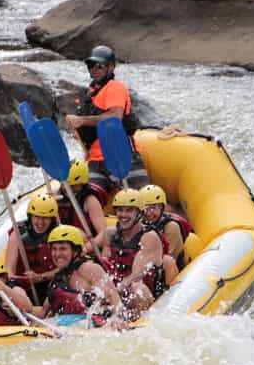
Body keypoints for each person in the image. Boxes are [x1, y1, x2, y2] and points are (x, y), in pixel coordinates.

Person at [64, 45, 149, 192]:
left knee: (145, 203)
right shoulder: (91, 93)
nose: (94, 69)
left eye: (99, 66)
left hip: (121, 155)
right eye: (90, 66)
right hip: (96, 160)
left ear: (111, 67)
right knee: (87, 198)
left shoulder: (115, 87)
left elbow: (115, 117)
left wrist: (82, 121)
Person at [101, 189, 171, 318]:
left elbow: (136, 276)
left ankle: (137, 324)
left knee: (137, 290)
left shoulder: (149, 237)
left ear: (140, 213)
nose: (123, 215)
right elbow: (104, 268)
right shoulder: (110, 234)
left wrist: (114, 292)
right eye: (120, 210)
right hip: (117, 292)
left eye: (129, 210)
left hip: (146, 297)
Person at [40, 225, 125, 326]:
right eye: (54, 249)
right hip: (71, 327)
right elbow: (44, 312)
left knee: (49, 323)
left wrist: (118, 319)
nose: (57, 254)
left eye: (63, 249)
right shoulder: (58, 279)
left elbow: (114, 300)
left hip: (97, 323)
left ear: (75, 251)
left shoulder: (91, 269)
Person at [5, 193, 59, 305]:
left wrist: (41, 277)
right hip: (24, 286)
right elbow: (9, 272)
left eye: (45, 218)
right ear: (30, 216)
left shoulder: (59, 234)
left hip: (50, 282)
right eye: (36, 217)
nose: (40, 222)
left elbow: (66, 269)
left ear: (52, 220)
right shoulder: (17, 235)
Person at [56, 159, 108, 250]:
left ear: (82, 183)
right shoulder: (57, 196)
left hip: (85, 244)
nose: (68, 189)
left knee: (78, 233)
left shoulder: (90, 200)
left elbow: (104, 234)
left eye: (73, 186)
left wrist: (87, 248)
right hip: (63, 243)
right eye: (66, 185)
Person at [140, 184, 193, 270]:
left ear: (161, 208)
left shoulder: (171, 227)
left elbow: (167, 260)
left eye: (153, 208)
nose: (148, 213)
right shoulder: (141, 223)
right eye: (144, 208)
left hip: (171, 270)